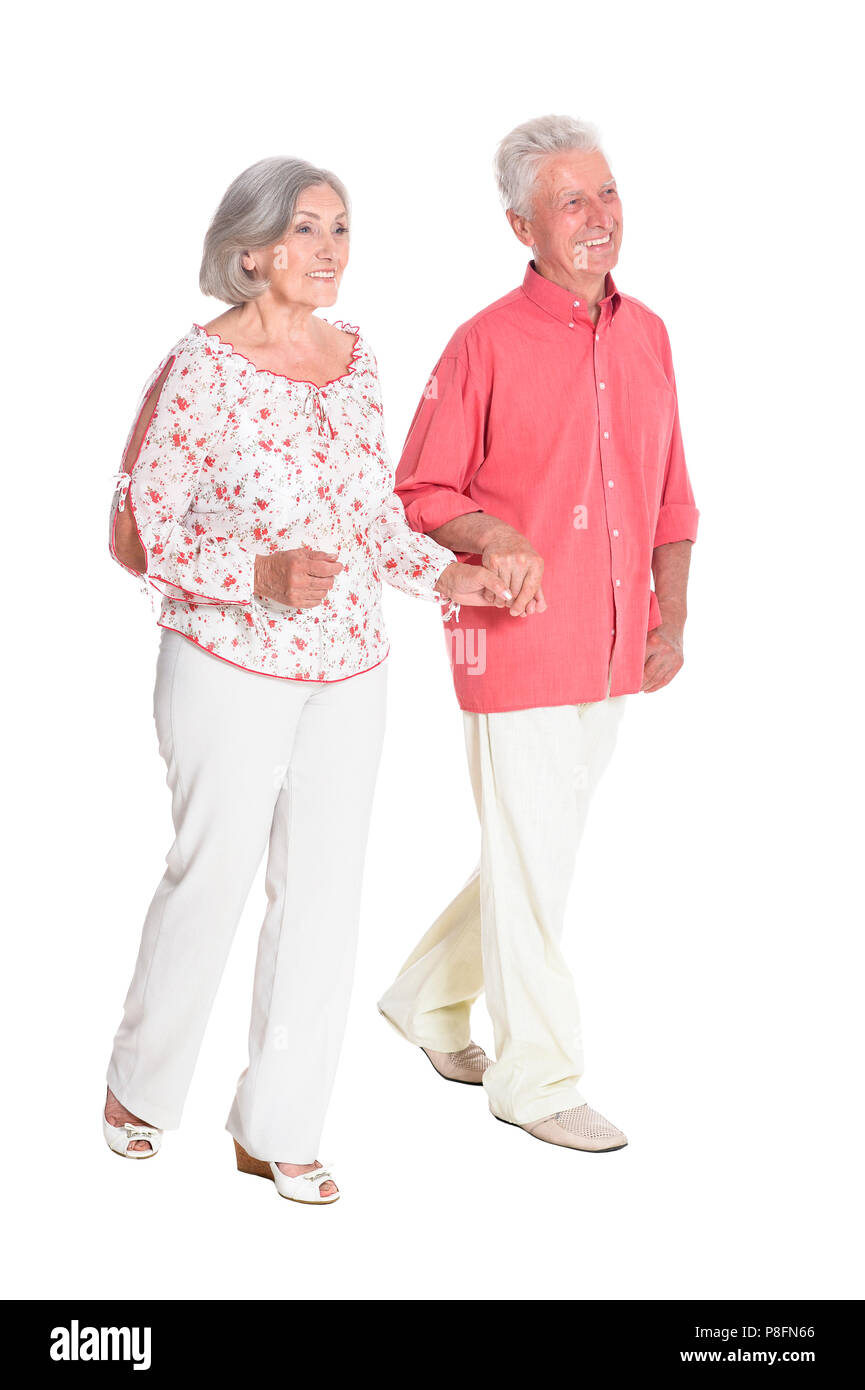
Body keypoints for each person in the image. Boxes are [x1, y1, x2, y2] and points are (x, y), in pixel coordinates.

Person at [103, 156, 506, 1203]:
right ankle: (140, 1089)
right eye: (307, 231)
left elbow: (373, 523)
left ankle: (280, 1123)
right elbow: (140, 530)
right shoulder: (199, 369)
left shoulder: (359, 360)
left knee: (324, 894)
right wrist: (258, 575)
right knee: (215, 870)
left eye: (340, 229)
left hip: (351, 665)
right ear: (252, 252)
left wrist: (451, 575)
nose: (330, 250)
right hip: (226, 661)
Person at [377, 115, 699, 1153]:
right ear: (520, 222)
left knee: (533, 857)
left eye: (607, 193)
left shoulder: (648, 333)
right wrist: (495, 528)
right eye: (572, 201)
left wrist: (671, 615)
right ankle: (536, 1077)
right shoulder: (481, 343)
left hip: (613, 642)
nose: (599, 217)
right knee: (532, 856)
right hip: (509, 638)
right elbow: (420, 489)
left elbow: (672, 497)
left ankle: (427, 997)